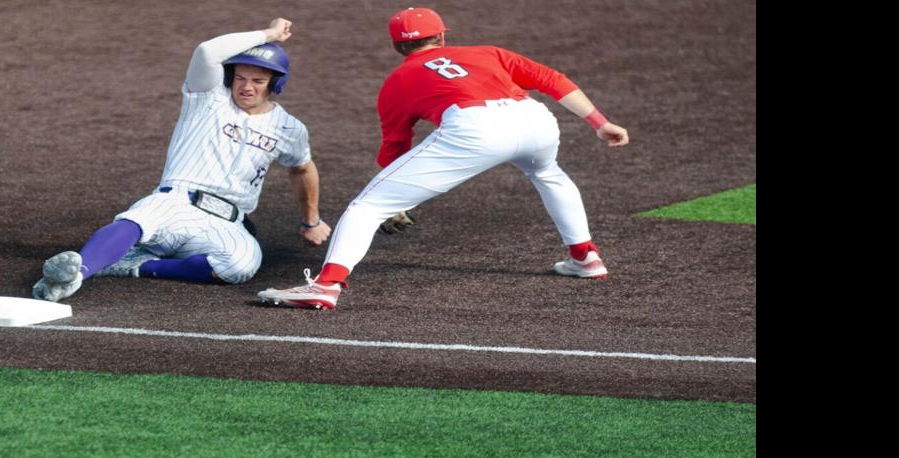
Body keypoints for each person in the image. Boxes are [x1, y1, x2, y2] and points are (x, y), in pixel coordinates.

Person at [257, 7, 629, 310]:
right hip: (534, 119)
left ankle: (327, 285)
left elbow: (395, 144)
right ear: (442, 36)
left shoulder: (398, 81)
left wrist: (397, 202)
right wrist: (600, 122)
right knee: (549, 174)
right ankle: (586, 257)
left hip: (474, 127)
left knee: (367, 206)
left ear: (397, 47)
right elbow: (551, 79)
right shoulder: (487, 52)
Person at [31, 17, 330, 303]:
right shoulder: (209, 96)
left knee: (241, 266)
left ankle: (135, 264)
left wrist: (310, 220)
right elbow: (207, 52)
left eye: (258, 80)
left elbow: (302, 168)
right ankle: (76, 275)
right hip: (175, 202)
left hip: (226, 222)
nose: (246, 87)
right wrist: (268, 34)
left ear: (276, 84)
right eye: (239, 77)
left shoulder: (289, 128)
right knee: (138, 220)